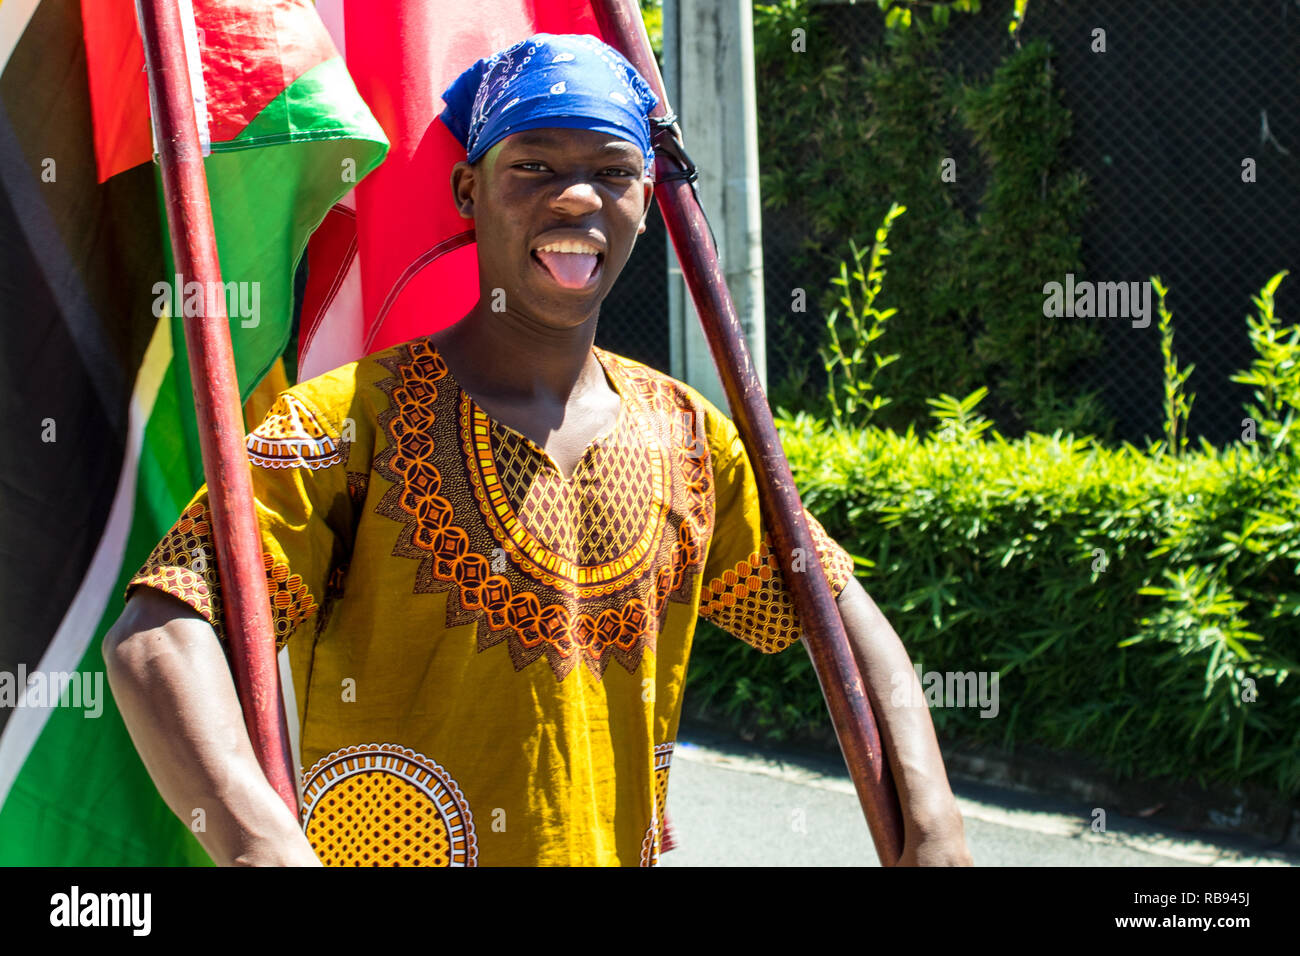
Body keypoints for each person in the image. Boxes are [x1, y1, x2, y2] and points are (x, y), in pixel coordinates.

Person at [103, 32, 971, 867]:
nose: (577, 198)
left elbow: (840, 619)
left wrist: (932, 824)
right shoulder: (344, 420)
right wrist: (263, 848)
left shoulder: (689, 436)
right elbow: (159, 635)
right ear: (467, 191)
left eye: (613, 172)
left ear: (645, 200)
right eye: (535, 168)